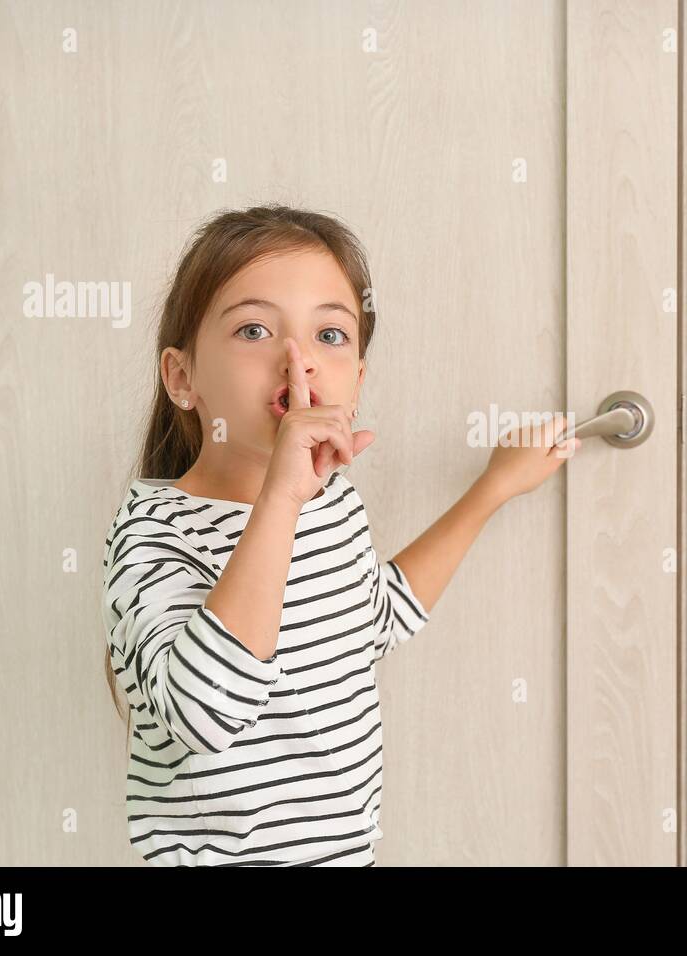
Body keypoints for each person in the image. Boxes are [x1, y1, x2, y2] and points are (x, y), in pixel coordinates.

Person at [101, 204, 580, 865]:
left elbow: (372, 621)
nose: (296, 361)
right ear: (182, 379)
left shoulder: (331, 503)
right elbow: (202, 714)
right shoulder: (155, 532)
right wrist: (281, 499)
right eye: (254, 329)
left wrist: (494, 487)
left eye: (330, 335)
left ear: (357, 379)